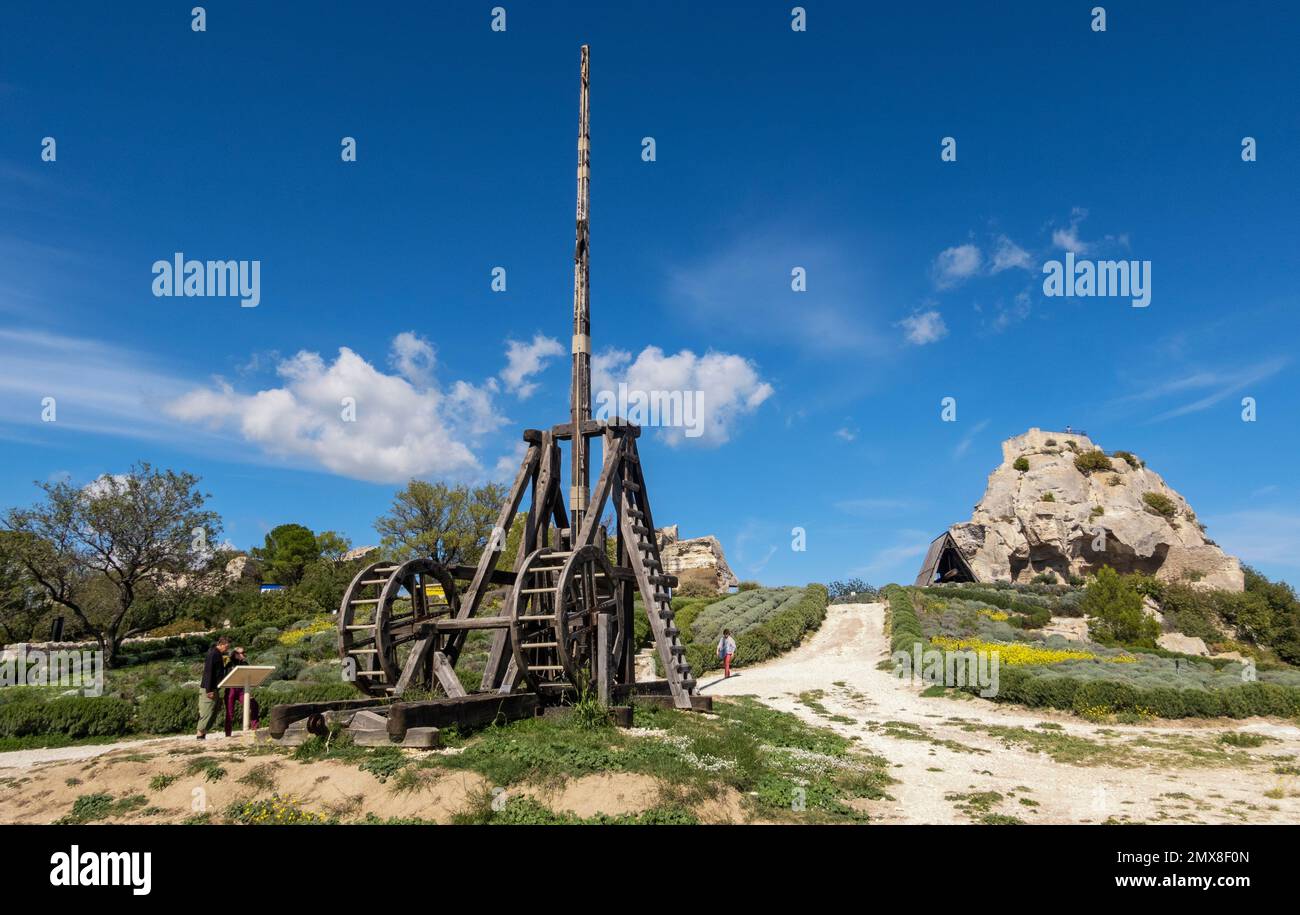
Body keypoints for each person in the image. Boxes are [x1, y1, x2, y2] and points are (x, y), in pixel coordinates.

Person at [223, 646, 260, 737]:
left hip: (241, 690)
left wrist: (248, 692)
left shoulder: (245, 664)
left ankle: (255, 728)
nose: (244, 654)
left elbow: (248, 677)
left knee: (253, 704)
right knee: (229, 712)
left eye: (245, 652)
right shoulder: (229, 664)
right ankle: (228, 734)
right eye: (242, 653)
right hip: (230, 689)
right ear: (236, 654)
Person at [197, 635, 229, 739]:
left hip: (214, 688)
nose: (227, 649)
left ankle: (203, 736)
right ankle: (199, 737)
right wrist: (209, 690)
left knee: (212, 712)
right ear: (221, 644)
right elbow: (209, 673)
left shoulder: (217, 653)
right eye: (226, 646)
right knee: (207, 711)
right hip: (208, 689)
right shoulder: (213, 654)